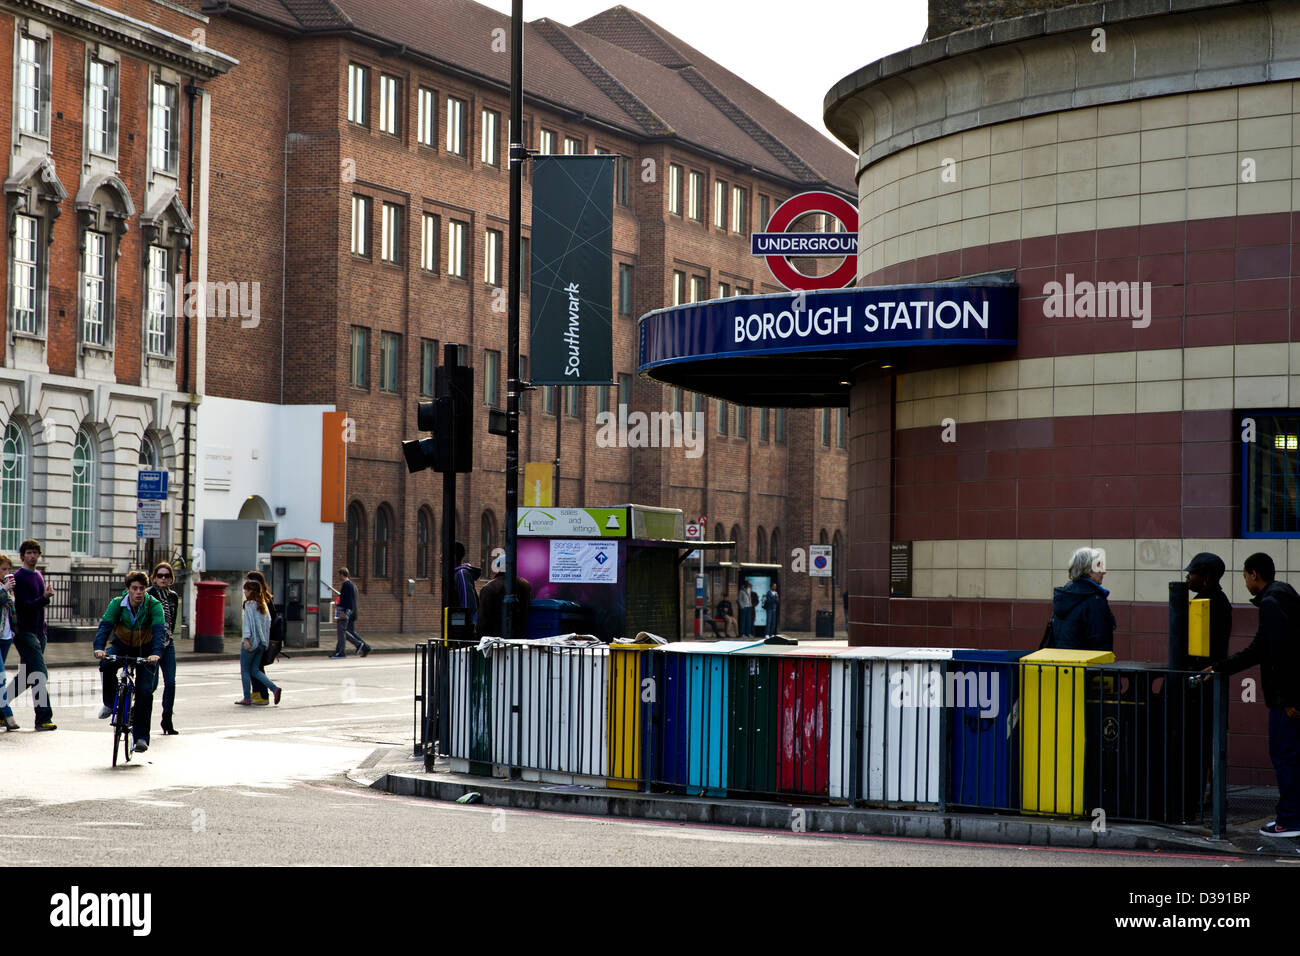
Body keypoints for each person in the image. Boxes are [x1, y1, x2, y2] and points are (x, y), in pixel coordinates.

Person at [1201, 553, 1300, 837]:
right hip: (1288, 696)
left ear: (1254, 574)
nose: (1245, 581)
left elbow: (1278, 654)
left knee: (1284, 756)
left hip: (1286, 700)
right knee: (1291, 756)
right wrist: (1221, 667)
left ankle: (1290, 820)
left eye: (1245, 576)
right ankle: (1290, 816)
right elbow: (1263, 648)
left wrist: (1291, 699)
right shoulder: (1285, 596)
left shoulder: (1271, 603)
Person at [92, 571, 165, 753]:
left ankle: (141, 738)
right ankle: (110, 702)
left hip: (146, 650)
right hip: (121, 645)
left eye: (142, 588)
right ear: (128, 590)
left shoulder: (154, 606)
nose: (139, 592)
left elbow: (159, 632)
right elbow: (105, 627)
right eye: (135, 588)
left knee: (144, 692)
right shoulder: (117, 604)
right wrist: (99, 647)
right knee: (106, 664)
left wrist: (156, 653)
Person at [12, 538, 56, 731]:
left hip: (39, 632)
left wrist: (44, 599)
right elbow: (23, 608)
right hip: (25, 632)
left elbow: (38, 605)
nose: (32, 556)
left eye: (35, 553)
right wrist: (44, 599)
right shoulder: (19, 577)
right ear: (22, 556)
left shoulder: (38, 575)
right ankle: (43, 718)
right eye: (28, 553)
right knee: (39, 673)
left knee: (26, 678)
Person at [1048, 546, 1116, 652]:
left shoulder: (1065, 595)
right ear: (1088, 569)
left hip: (1062, 664)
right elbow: (1100, 644)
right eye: (1099, 566)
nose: (1104, 571)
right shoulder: (1095, 601)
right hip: (1086, 665)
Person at [146, 562, 181, 734]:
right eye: (160, 575)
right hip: (152, 645)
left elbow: (172, 620)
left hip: (168, 644)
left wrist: (169, 636)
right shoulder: (149, 594)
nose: (163, 579)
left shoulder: (173, 596)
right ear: (154, 577)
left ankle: (167, 719)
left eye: (167, 576)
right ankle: (137, 712)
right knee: (151, 685)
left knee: (171, 683)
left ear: (171, 578)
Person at [235, 579, 281, 706]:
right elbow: (268, 624)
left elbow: (247, 624)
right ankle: (274, 688)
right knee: (255, 670)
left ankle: (247, 698)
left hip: (251, 642)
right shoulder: (264, 606)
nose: (245, 592)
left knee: (244, 670)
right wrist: (264, 641)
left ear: (252, 591)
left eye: (247, 589)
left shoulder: (249, 605)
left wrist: (246, 639)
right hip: (261, 643)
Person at [475, 570, 533, 640]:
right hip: (520, 637)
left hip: (494, 639)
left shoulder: (489, 588)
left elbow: (482, 619)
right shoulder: (525, 585)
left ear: (496, 571)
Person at [245, 570, 274, 701]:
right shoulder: (263, 599)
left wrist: (249, 638)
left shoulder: (261, 601)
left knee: (256, 668)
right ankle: (257, 691)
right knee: (255, 668)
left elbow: (255, 622)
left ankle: (263, 693)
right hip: (262, 640)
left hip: (257, 640)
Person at [330, 568, 368, 658]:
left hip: (344, 610)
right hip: (344, 610)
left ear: (342, 574)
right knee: (342, 631)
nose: (338, 577)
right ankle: (357, 644)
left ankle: (342, 652)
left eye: (339, 575)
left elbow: (349, 601)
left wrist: (344, 611)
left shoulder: (347, 585)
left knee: (341, 631)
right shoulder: (349, 585)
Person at [0, 554, 18, 730]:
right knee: (1, 677)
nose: (6, 573)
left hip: (5, 637)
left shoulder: (6, 588)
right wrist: (4, 590)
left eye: (8, 569)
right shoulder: (3, 588)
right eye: (3, 569)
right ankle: (8, 715)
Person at [453, 542, 481, 625]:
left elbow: (467, 603)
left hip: (460, 627)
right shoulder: (455, 574)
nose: (440, 557)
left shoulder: (461, 574)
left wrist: (466, 626)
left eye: (444, 553)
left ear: (454, 556)